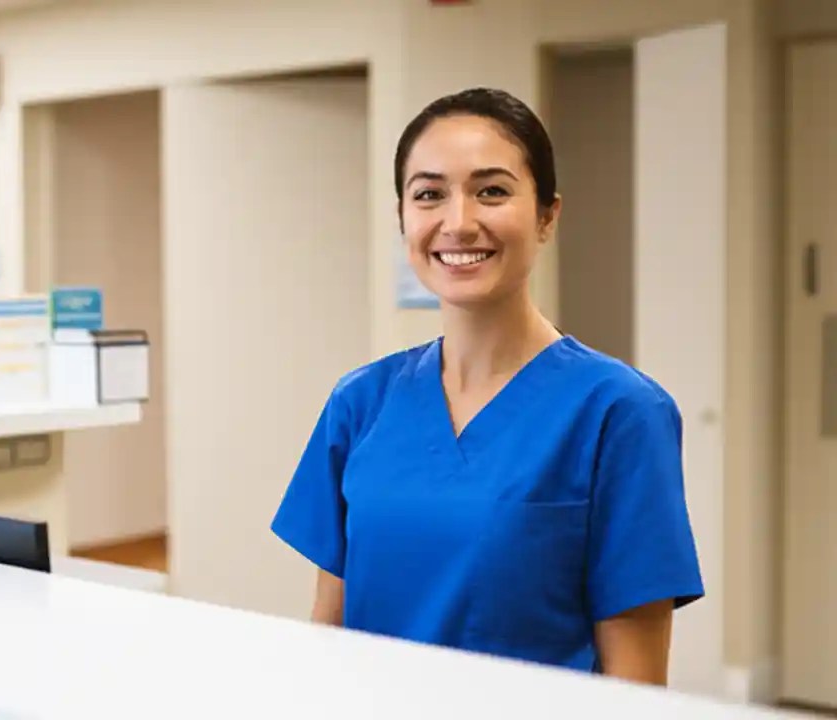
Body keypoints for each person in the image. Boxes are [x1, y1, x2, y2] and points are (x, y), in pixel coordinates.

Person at [270, 87, 703, 685]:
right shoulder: (360, 403)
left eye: (492, 191)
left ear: (548, 214)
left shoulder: (620, 413)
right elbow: (330, 629)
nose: (459, 222)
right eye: (429, 195)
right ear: (403, 217)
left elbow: (635, 686)